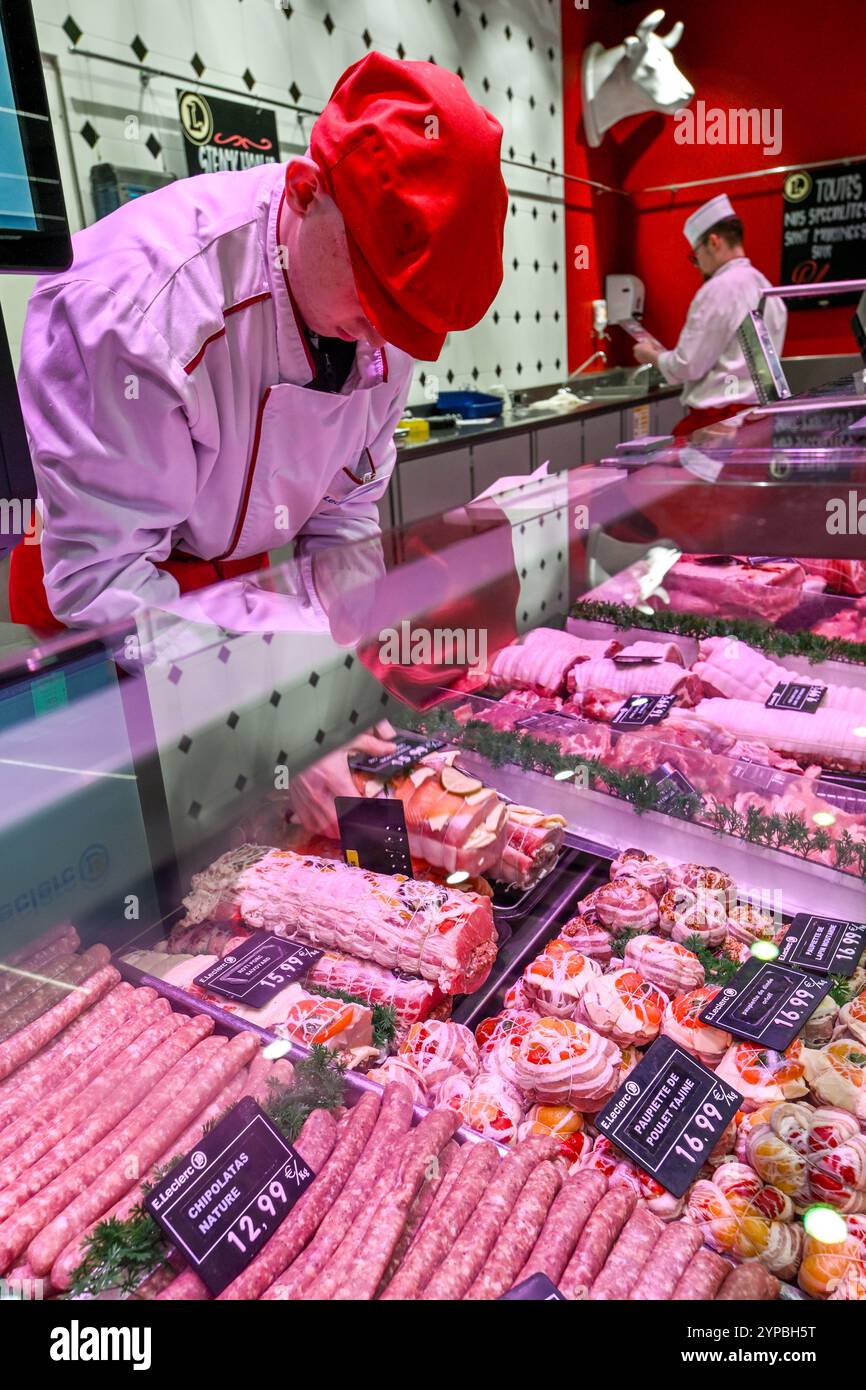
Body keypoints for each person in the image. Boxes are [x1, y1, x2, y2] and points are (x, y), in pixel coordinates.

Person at [10, 51, 507, 632]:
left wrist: (346, 648)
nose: (383, 338)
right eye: (375, 299)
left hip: (240, 581)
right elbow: (106, 584)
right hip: (104, 607)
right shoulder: (137, 306)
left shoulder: (381, 327)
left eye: (409, 324)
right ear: (305, 191)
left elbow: (345, 505)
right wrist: (273, 660)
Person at [632, 193, 787, 437]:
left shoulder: (717, 289)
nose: (698, 264)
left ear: (713, 242)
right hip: (757, 422)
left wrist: (652, 356)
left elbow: (688, 366)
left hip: (717, 425)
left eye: (696, 256)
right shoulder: (766, 287)